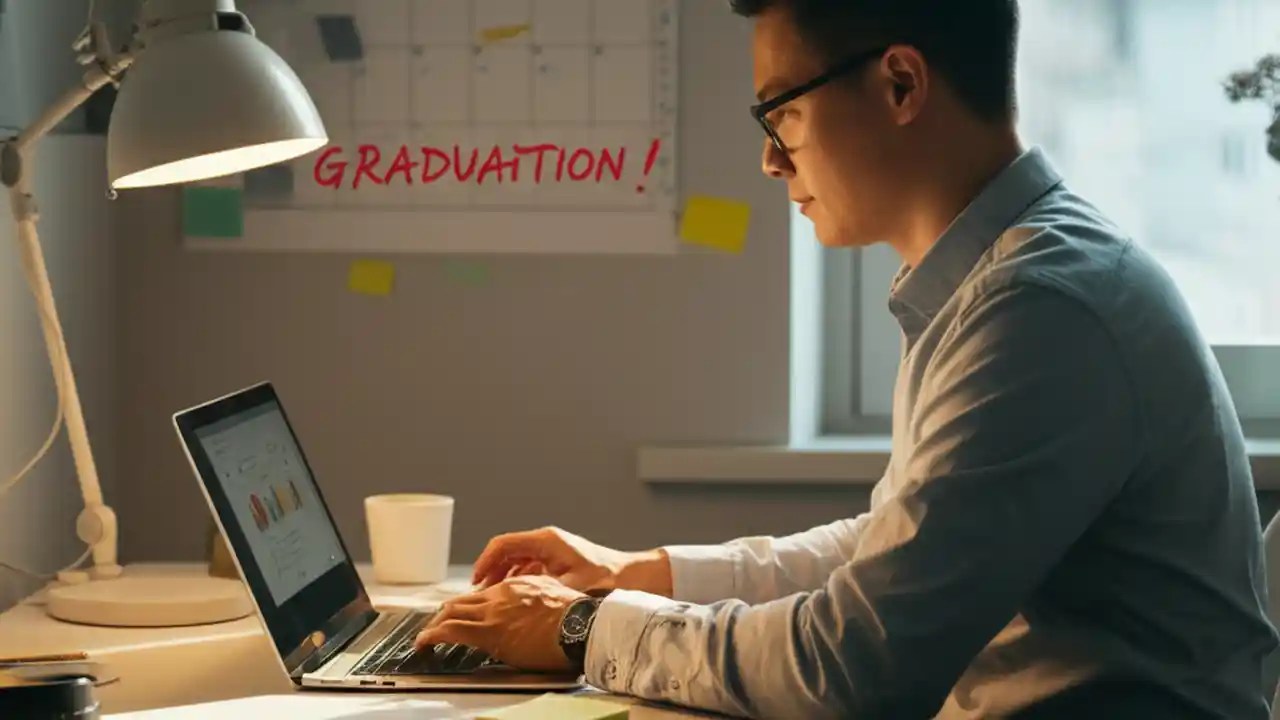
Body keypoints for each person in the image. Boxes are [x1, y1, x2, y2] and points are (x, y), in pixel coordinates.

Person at [414, 1, 1279, 717]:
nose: (767, 158)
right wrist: (641, 573)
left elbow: (856, 663)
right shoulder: (1004, 281)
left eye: (780, 112)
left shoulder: (1039, 310)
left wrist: (586, 629)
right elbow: (898, 551)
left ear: (901, 83)